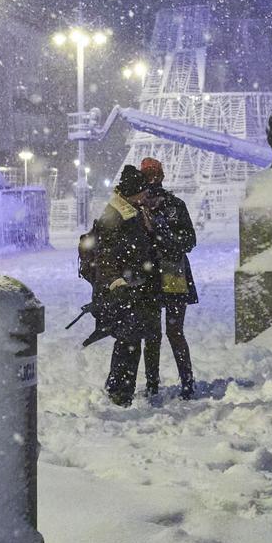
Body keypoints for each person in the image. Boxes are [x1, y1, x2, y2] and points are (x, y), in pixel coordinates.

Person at [93, 165, 161, 406]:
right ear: (133, 192)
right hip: (123, 289)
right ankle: (120, 391)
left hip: (134, 286)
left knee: (130, 339)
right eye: (142, 191)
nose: (146, 195)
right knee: (128, 340)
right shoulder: (115, 216)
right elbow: (105, 255)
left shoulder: (132, 211)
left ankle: (121, 388)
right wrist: (116, 281)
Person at [139, 157, 198, 399]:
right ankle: (152, 383)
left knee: (174, 332)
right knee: (152, 334)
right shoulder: (137, 208)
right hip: (149, 277)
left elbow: (189, 241)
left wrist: (162, 232)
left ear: (162, 176)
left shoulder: (174, 205)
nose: (153, 180)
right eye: (148, 175)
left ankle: (187, 381)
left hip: (174, 274)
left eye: (155, 174)